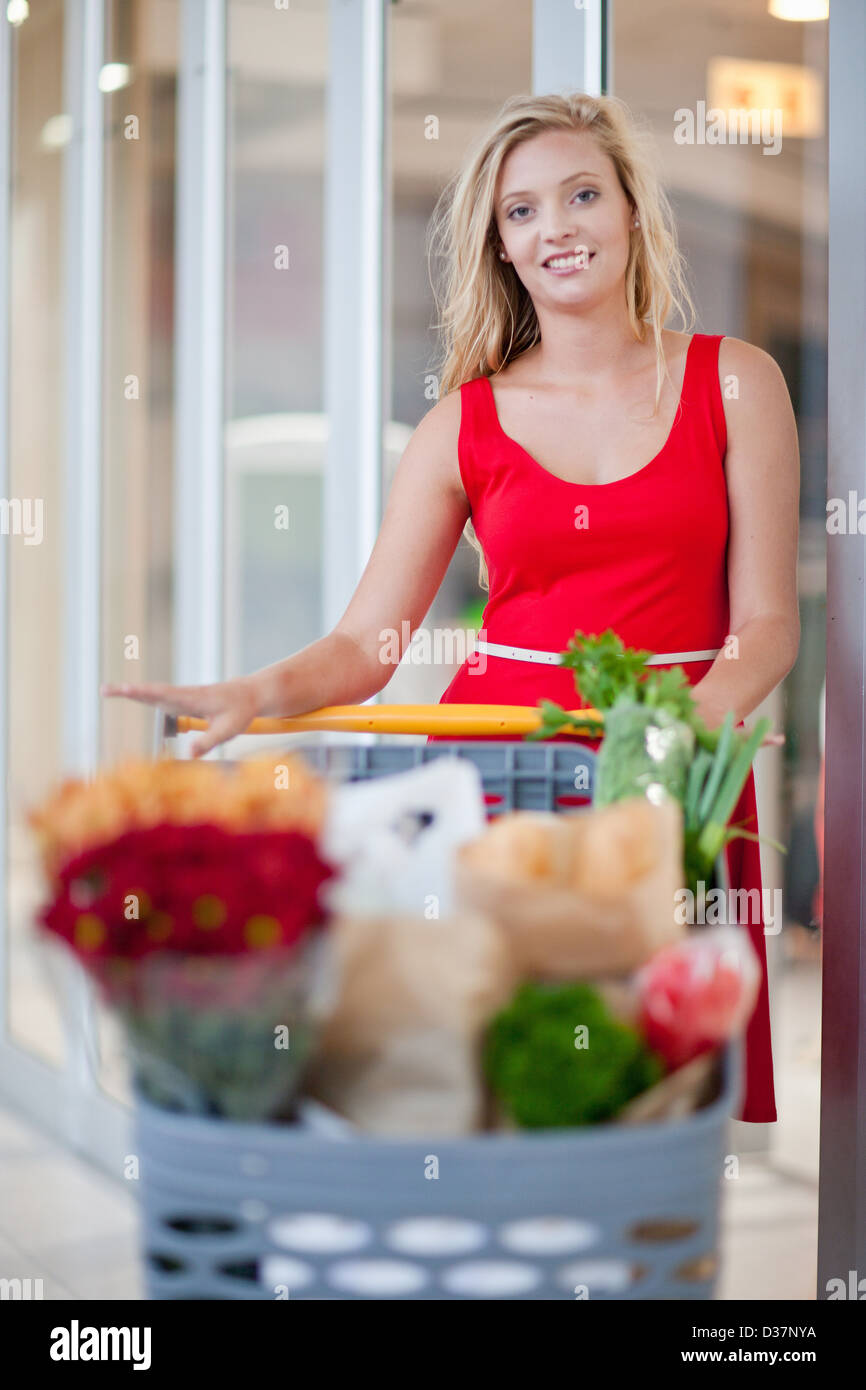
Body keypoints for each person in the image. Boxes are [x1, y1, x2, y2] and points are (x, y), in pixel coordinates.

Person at [102, 92, 800, 1123]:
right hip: (504, 767)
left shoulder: (735, 383)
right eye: (521, 212)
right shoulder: (458, 426)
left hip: (670, 775)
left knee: (656, 1099)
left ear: (630, 216)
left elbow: (766, 624)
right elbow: (365, 643)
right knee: (504, 1087)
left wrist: (683, 726)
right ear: (501, 249)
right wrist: (260, 688)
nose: (554, 226)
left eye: (579, 196)